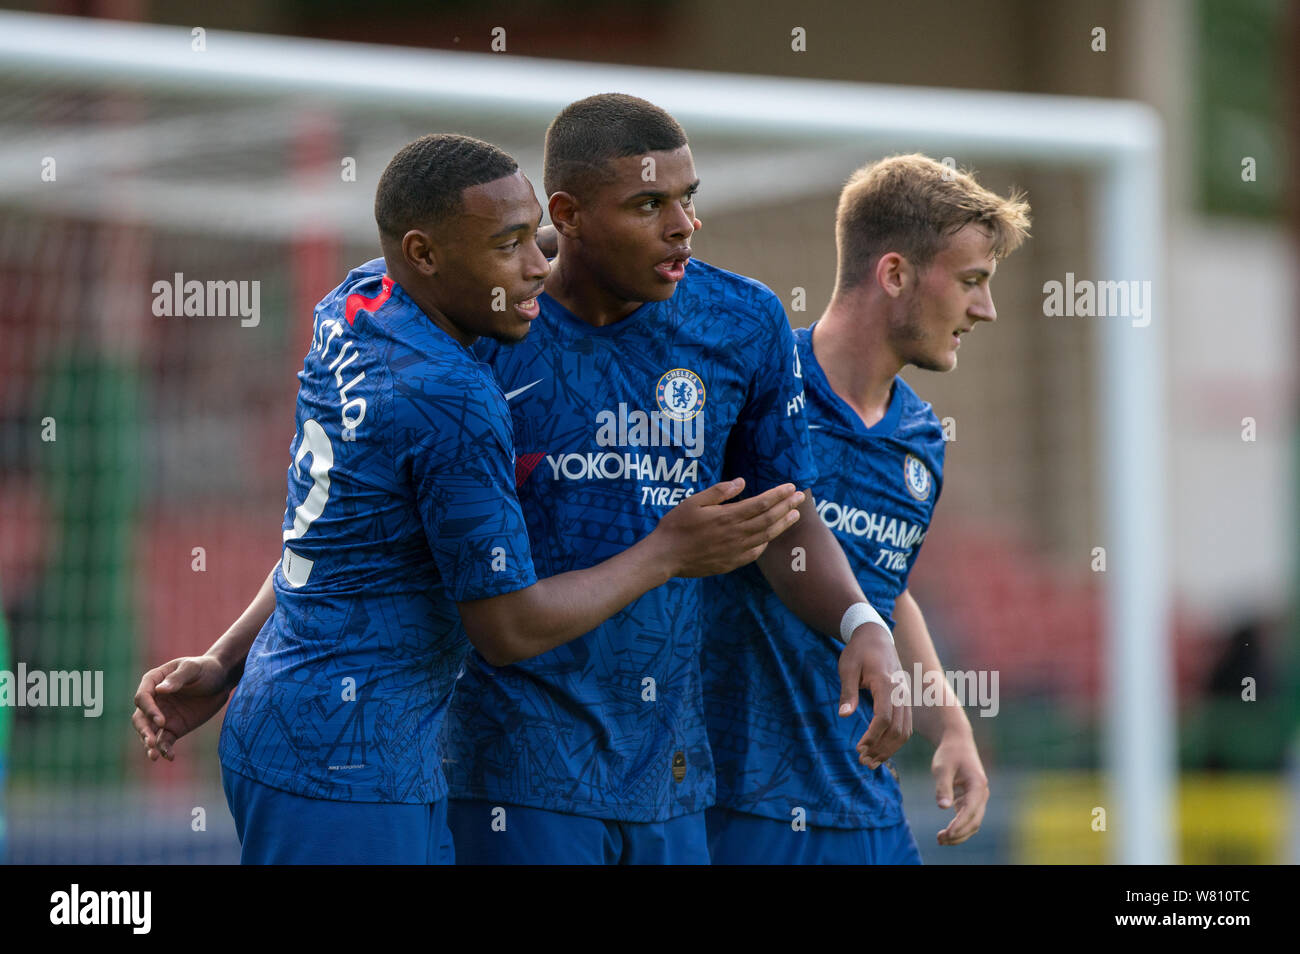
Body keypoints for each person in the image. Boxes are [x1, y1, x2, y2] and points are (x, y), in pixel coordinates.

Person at [131, 132, 802, 864]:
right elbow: (506, 628)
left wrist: (225, 661)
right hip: (346, 763)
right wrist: (668, 551)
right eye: (510, 245)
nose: (538, 268)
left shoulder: (355, 305)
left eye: (540, 238)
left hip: (342, 733)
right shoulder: (455, 398)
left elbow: (329, 541)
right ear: (424, 254)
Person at [440, 94, 908, 865]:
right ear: (569, 213)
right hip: (512, 769)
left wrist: (863, 624)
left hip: (671, 778)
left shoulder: (743, 321)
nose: (682, 225)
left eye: (688, 199)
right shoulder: (486, 325)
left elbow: (783, 514)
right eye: (648, 204)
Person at [701, 153, 1031, 864]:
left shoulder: (920, 437)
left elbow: (889, 587)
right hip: (739, 804)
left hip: (867, 810)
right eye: (972, 281)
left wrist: (952, 726)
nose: (986, 309)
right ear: (894, 274)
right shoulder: (757, 392)